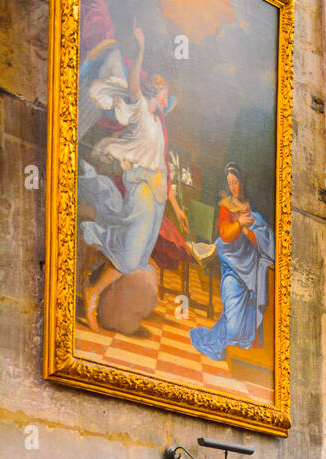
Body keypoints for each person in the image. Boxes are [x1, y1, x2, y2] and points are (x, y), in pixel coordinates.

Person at [79, 22, 189, 330]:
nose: (168, 101)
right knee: (129, 255)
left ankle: (94, 281)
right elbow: (132, 85)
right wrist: (140, 49)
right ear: (157, 92)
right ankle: (93, 292)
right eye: (166, 95)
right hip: (141, 190)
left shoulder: (158, 124)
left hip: (156, 195)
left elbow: (164, 169)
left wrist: (177, 209)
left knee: (137, 258)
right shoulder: (141, 108)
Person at [189, 163, 274, 361]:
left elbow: (261, 239)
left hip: (250, 268)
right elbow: (225, 235)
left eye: (235, 182)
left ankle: (238, 350)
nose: (233, 187)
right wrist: (239, 224)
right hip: (232, 267)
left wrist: (249, 231)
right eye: (230, 184)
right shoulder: (226, 206)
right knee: (233, 324)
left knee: (241, 322)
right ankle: (218, 341)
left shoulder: (252, 210)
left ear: (242, 181)